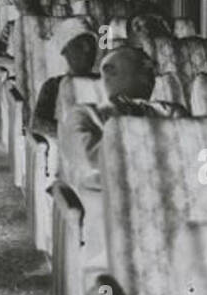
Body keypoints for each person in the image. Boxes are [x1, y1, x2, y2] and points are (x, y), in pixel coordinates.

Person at [58, 45, 187, 193]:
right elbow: (89, 161)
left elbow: (189, 155)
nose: (152, 73)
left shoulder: (171, 111)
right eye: (143, 66)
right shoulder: (84, 114)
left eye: (151, 68)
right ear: (110, 71)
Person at [31, 16, 99, 137]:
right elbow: (38, 124)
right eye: (80, 45)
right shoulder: (53, 86)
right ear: (64, 51)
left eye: (91, 44)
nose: (88, 50)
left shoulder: (105, 82)